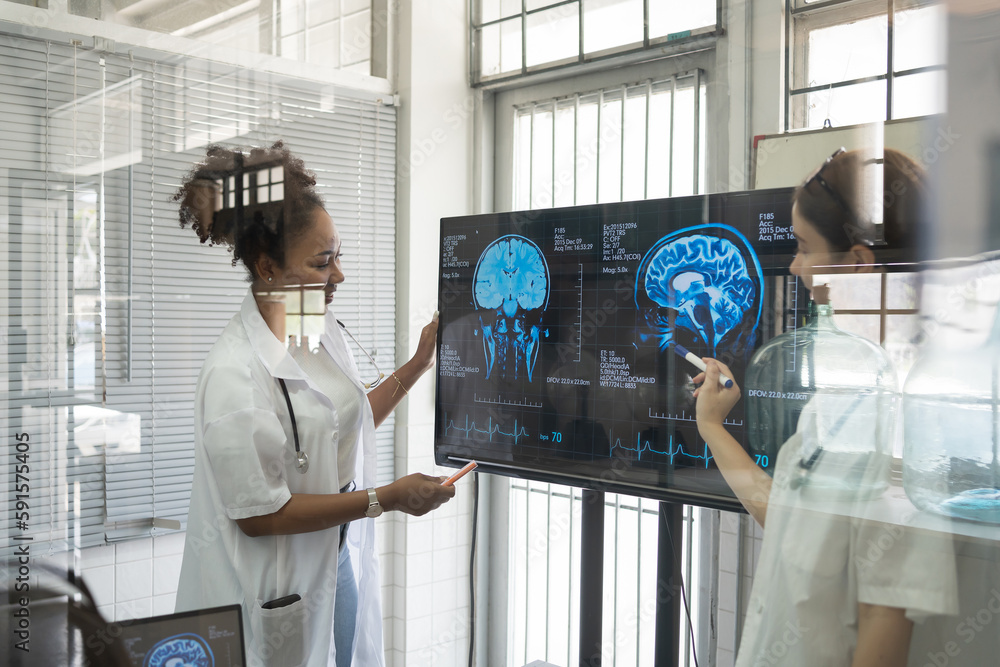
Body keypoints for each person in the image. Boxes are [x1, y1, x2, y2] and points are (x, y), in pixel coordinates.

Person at [172, 142, 455, 667]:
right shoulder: (233, 374)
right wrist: (384, 499)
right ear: (267, 266)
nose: (339, 276)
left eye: (338, 256)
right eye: (323, 262)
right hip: (279, 584)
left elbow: (343, 426)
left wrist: (418, 363)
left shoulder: (311, 326)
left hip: (338, 553)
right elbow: (262, 516)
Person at [693, 148, 957, 667]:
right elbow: (796, 522)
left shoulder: (907, 412)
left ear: (858, 262)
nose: (794, 267)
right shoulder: (847, 389)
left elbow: (887, 618)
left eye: (803, 247)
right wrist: (713, 427)